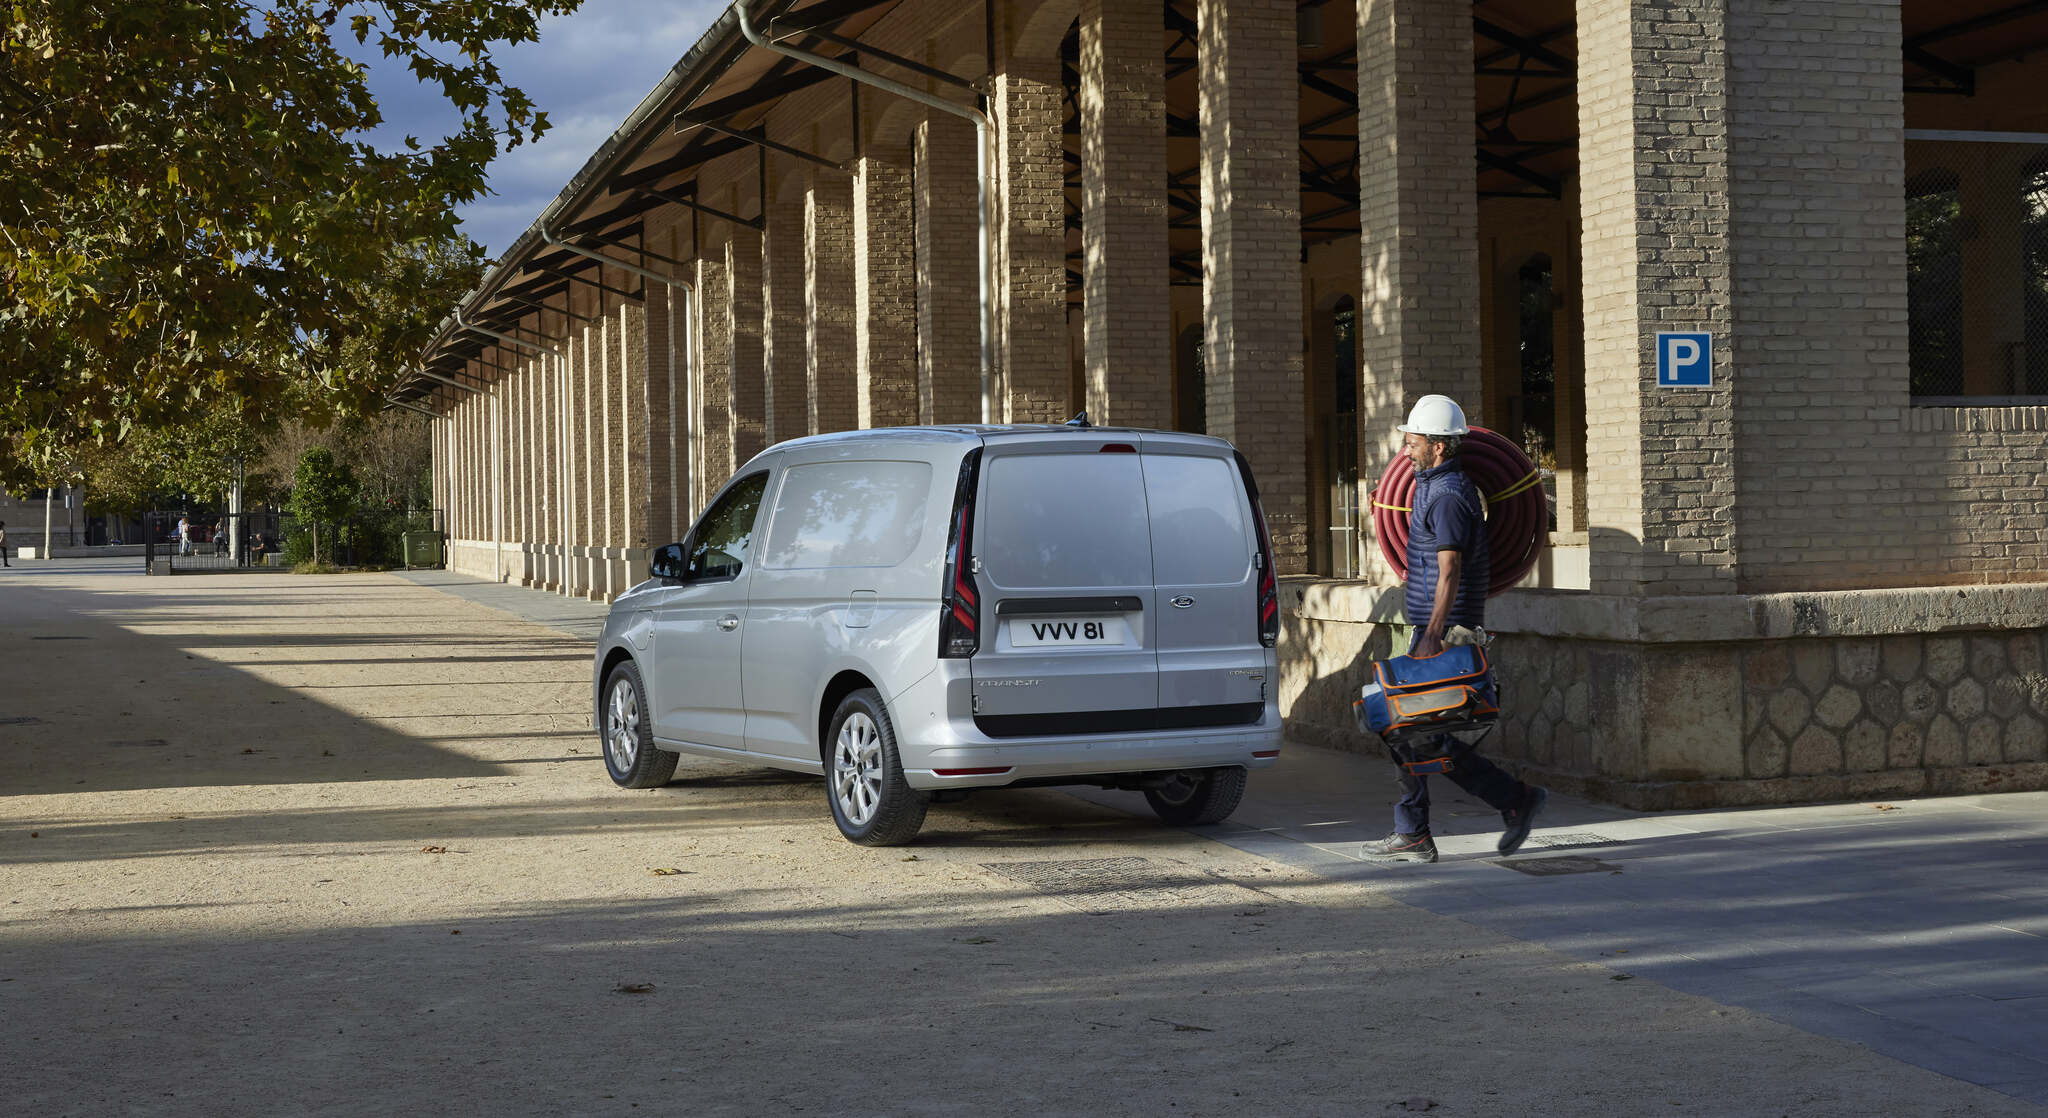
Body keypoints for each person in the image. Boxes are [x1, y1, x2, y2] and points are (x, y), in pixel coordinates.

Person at [1362, 395, 1546, 864]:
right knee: (1408, 728)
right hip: (1429, 623)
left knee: (1416, 728)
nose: (1405, 450)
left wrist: (1433, 634)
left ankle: (1510, 800)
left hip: (1445, 631)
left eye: (1413, 441)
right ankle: (1418, 829)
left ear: (1439, 447)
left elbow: (1449, 570)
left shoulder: (1448, 497)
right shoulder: (1431, 486)